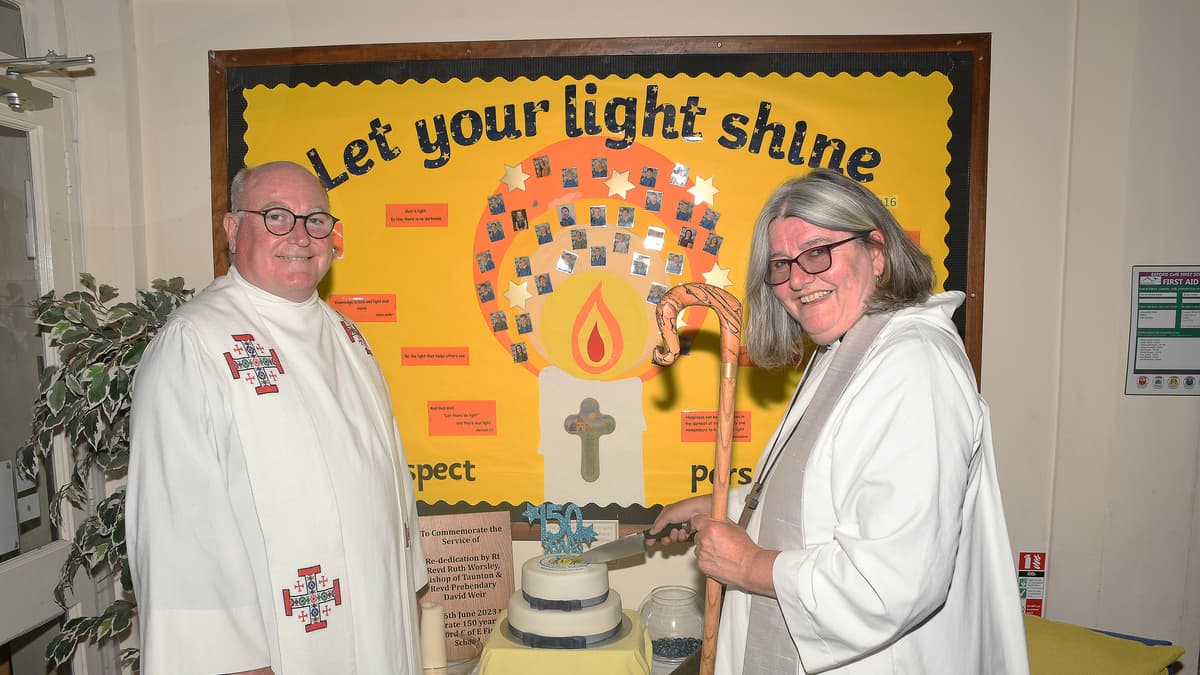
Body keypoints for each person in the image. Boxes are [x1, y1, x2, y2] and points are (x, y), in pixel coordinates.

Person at [651, 169, 1028, 674]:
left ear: (877, 251)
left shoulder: (914, 364)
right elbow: (825, 502)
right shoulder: (846, 347)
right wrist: (724, 505)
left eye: (816, 252)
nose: (797, 280)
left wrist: (748, 565)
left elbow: (891, 581)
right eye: (781, 264)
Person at [127, 161, 428, 675]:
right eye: (276, 216)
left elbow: (389, 479)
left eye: (316, 220)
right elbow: (180, 526)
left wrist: (410, 592)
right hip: (271, 651)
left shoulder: (348, 337)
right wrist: (235, 663)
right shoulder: (195, 344)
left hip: (379, 627)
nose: (301, 236)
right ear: (231, 228)